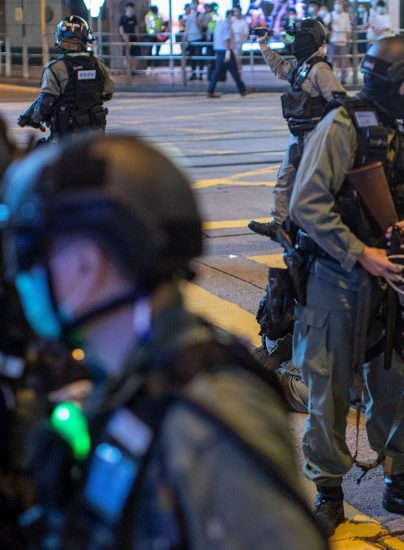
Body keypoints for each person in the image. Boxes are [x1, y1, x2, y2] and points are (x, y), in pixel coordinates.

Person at [0, 134, 326, 549]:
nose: (18, 276)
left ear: (86, 265)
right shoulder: (130, 377)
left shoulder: (206, 417)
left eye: (29, 252)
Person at [288, 34, 404, 537]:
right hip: (334, 282)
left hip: (384, 285)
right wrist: (362, 254)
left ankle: (398, 482)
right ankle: (329, 493)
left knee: (393, 384)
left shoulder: (396, 132)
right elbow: (306, 204)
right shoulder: (340, 126)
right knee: (328, 391)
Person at [247, 18, 344, 240]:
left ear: (309, 40)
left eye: (298, 37)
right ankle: (280, 226)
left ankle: (320, 230)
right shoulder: (300, 65)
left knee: (315, 187)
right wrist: (263, 45)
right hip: (298, 134)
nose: (294, 42)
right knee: (285, 180)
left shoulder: (320, 70)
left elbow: (339, 102)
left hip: (316, 135)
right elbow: (279, 68)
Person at [17, 16, 113, 142]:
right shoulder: (98, 64)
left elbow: (46, 104)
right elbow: (107, 94)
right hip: (96, 138)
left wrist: (33, 119)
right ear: (85, 37)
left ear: (60, 38)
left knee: (38, 155)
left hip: (66, 140)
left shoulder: (55, 68)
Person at [206, 9, 248, 98]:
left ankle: (210, 90)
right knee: (234, 71)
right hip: (226, 51)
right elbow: (227, 39)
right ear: (229, 15)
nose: (234, 17)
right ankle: (243, 90)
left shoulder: (219, 23)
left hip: (219, 50)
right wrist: (228, 52)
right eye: (233, 15)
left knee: (217, 72)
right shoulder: (227, 24)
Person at [324, 1, 353, 84]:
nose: (338, 5)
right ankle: (331, 77)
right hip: (332, 41)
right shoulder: (330, 15)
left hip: (343, 41)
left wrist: (348, 40)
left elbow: (348, 29)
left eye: (340, 3)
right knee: (331, 60)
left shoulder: (346, 15)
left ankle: (343, 78)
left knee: (344, 61)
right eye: (337, 3)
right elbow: (325, 25)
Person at [183, 3, 208, 81]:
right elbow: (187, 28)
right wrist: (185, 38)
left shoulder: (200, 14)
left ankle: (201, 74)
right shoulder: (188, 16)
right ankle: (193, 73)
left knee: (199, 57)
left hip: (198, 38)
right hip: (190, 39)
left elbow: (203, 26)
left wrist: (197, 20)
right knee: (191, 58)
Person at [118, 2, 141, 76]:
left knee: (136, 56)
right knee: (127, 56)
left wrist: (138, 38)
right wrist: (125, 39)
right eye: (129, 8)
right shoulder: (123, 18)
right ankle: (128, 71)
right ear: (126, 9)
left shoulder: (134, 17)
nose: (131, 10)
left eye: (132, 8)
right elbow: (121, 29)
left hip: (134, 40)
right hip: (126, 40)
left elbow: (136, 28)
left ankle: (133, 71)